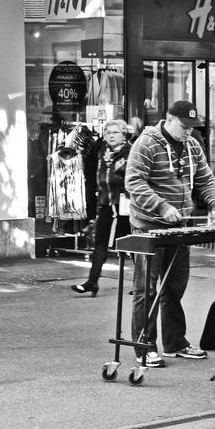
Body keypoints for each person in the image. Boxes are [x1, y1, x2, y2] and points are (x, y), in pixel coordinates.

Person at [125, 100, 215, 368]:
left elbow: (205, 179)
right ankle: (144, 345)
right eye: (184, 126)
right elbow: (133, 181)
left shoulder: (192, 145)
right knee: (147, 289)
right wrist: (161, 206)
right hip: (148, 226)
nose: (188, 132)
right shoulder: (146, 144)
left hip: (180, 227)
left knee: (175, 287)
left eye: (192, 127)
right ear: (168, 119)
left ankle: (174, 342)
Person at [71, 119, 132, 297]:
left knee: (132, 245)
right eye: (107, 133)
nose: (111, 136)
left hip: (125, 206)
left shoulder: (131, 152)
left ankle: (143, 283)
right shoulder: (102, 150)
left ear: (123, 135)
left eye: (115, 132)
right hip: (107, 203)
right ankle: (92, 282)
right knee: (100, 244)